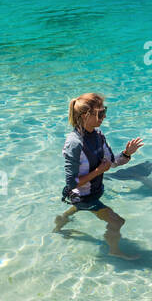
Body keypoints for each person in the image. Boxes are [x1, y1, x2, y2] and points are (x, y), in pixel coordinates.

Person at [53, 93, 144, 259]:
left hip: (94, 192)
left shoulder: (98, 135)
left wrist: (126, 154)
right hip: (83, 196)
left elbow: (112, 162)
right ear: (85, 116)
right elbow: (72, 183)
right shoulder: (74, 144)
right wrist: (98, 172)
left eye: (104, 111)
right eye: (100, 113)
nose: (104, 116)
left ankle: (61, 220)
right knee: (117, 221)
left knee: (79, 208)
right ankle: (114, 250)